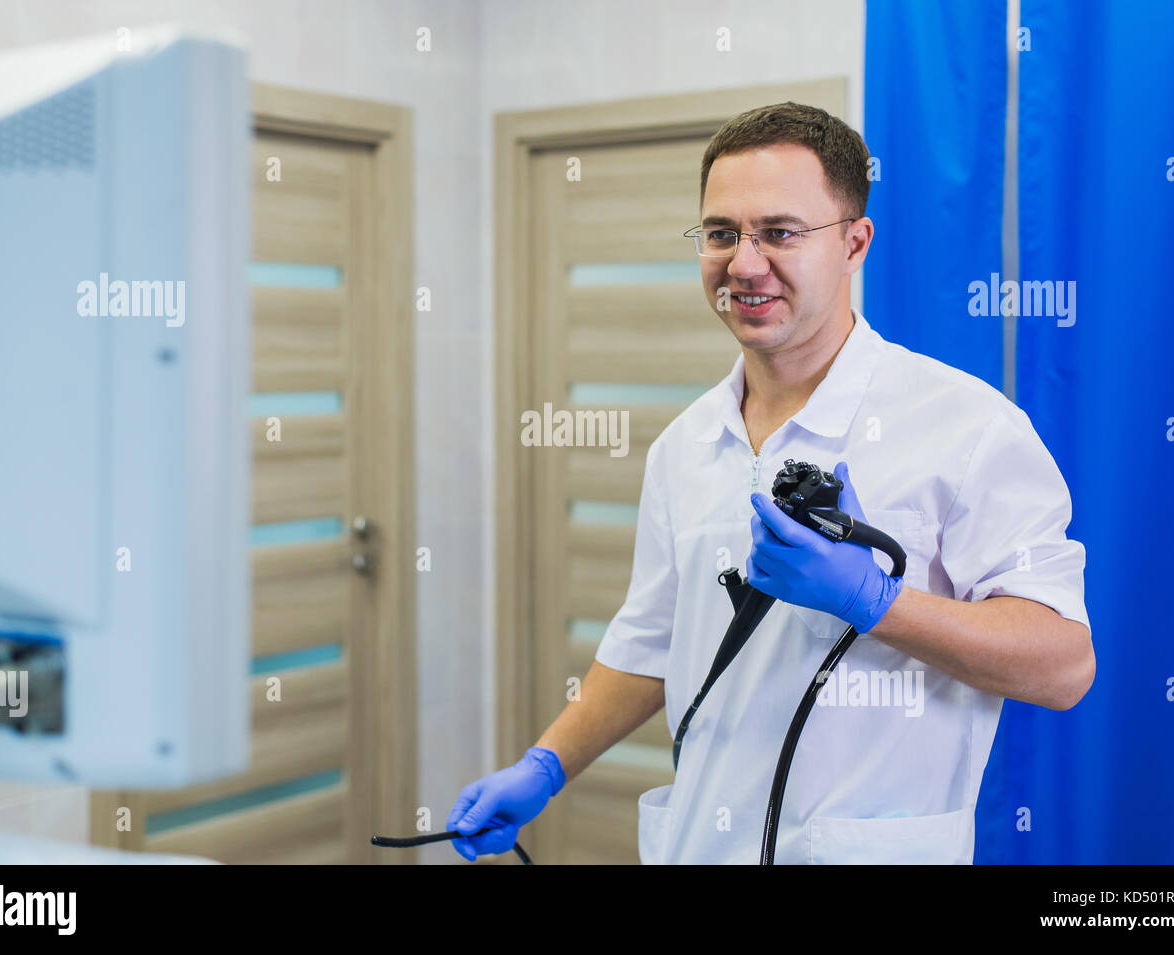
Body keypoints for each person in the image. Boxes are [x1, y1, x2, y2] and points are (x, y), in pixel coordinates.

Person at [448, 102, 1094, 864]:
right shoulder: (684, 446)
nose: (744, 263)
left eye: (780, 233)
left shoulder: (966, 428)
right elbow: (651, 642)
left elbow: (1063, 664)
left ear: (856, 243)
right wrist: (546, 765)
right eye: (721, 233)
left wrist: (877, 601)